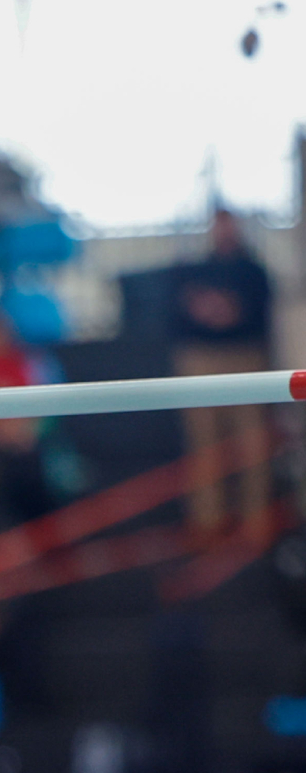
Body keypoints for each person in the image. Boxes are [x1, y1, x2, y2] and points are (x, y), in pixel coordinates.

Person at [169, 208, 273, 538]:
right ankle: (208, 522)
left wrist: (228, 312)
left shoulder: (254, 271)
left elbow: (257, 314)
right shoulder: (194, 270)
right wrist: (214, 311)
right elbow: (180, 313)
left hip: (245, 360)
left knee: (253, 442)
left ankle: (256, 522)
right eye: (219, 224)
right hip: (201, 362)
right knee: (205, 445)